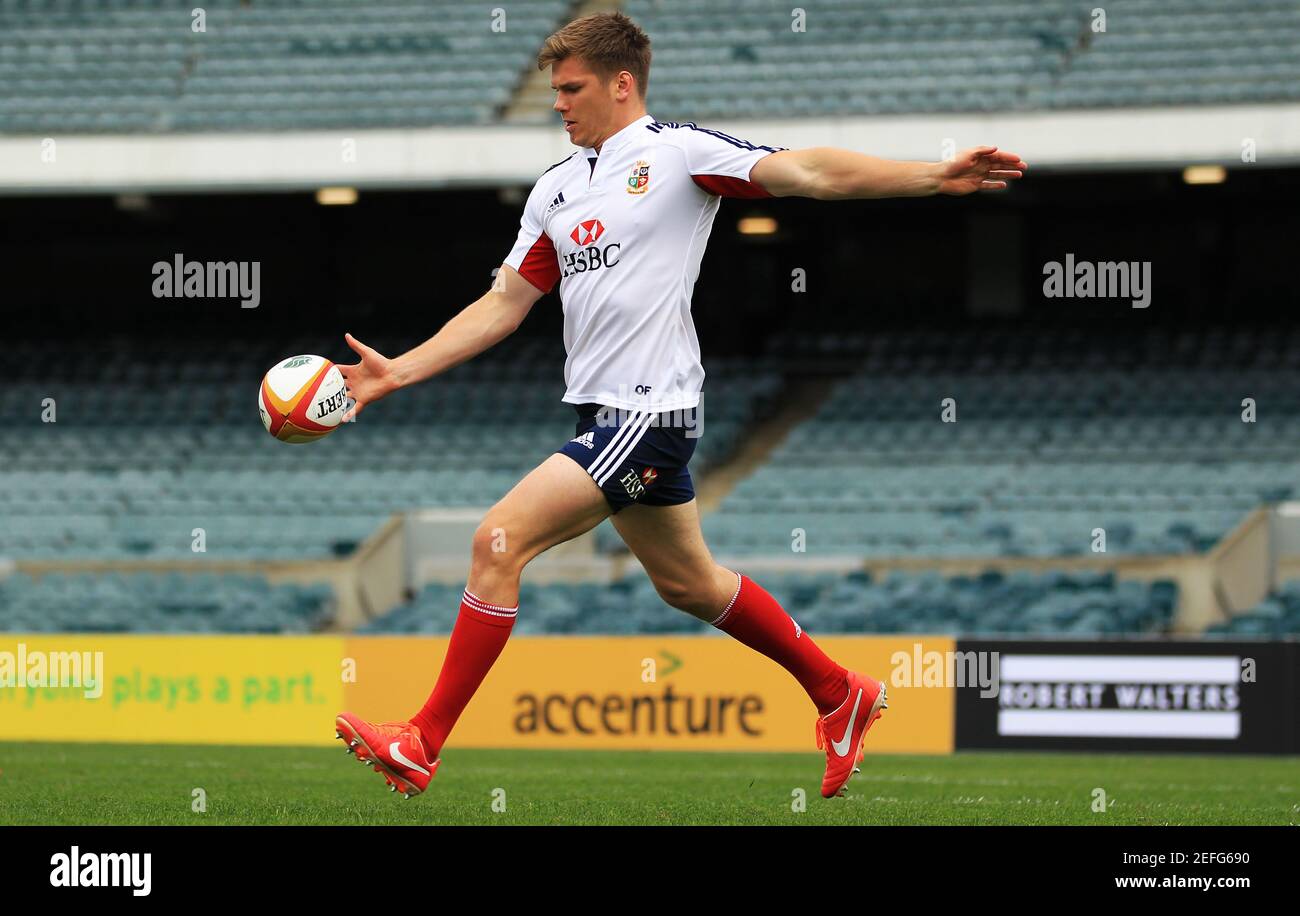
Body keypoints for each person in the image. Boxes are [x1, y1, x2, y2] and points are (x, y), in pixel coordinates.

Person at [334, 11, 1026, 800]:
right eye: (555, 90)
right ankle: (841, 692)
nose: (558, 104)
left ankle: (422, 740)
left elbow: (810, 173)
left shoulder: (677, 153)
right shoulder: (556, 189)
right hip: (601, 417)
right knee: (690, 584)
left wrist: (933, 175)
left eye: (572, 88)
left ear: (621, 84)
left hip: (649, 414)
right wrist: (400, 373)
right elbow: (504, 302)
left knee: (498, 543)